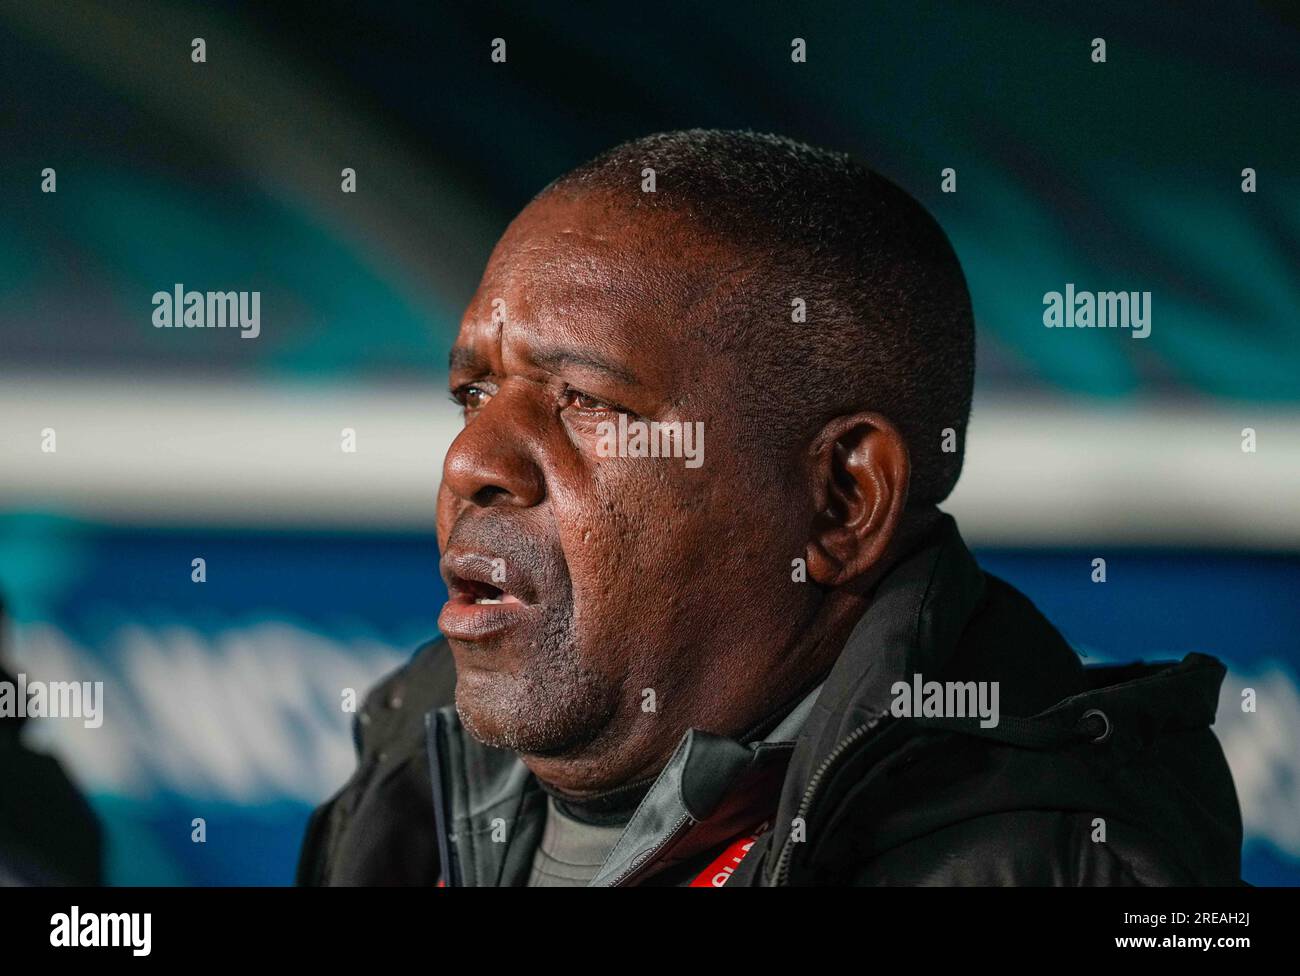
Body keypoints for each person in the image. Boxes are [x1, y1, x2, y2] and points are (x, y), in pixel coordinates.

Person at [297, 129, 1242, 886]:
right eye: (472, 394)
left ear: (842, 501)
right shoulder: (406, 765)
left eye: (585, 402)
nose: (470, 462)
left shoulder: (1058, 862)